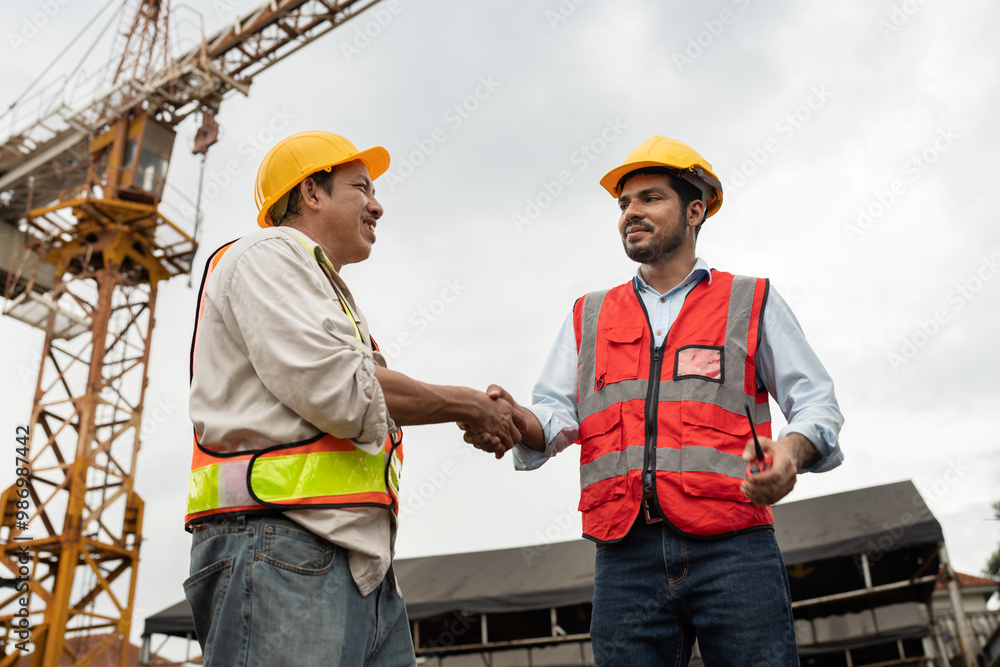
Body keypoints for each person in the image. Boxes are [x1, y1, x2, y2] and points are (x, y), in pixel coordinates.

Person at [468, 136, 844, 665]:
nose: (631, 213)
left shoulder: (750, 299)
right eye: (624, 204)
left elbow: (817, 402)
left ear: (695, 211)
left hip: (734, 548)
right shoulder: (589, 314)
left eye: (650, 198)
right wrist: (513, 420)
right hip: (624, 557)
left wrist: (790, 452)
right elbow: (553, 416)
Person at [184, 130, 522, 667]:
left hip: (346, 560)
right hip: (278, 543)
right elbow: (346, 390)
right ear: (311, 192)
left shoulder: (321, 288)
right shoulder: (266, 254)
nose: (377, 205)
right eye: (361, 187)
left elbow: (356, 393)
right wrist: (472, 406)